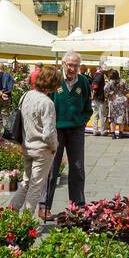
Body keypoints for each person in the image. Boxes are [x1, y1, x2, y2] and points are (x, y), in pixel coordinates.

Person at [43, 52, 91, 216]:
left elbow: (88, 107)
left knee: (77, 167)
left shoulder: (83, 81)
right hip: (56, 129)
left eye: (76, 65)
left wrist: (81, 121)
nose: (72, 68)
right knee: (52, 167)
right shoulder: (55, 78)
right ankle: (45, 206)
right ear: (63, 64)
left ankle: (77, 206)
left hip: (76, 130)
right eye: (69, 65)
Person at [10, 64, 58, 220]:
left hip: (27, 146)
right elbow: (49, 132)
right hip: (42, 150)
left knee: (25, 182)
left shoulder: (27, 95)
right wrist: (54, 147)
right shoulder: (47, 102)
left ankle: (10, 212)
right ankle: (25, 222)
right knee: (36, 187)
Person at [104, 69, 129, 139]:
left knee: (112, 118)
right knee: (121, 117)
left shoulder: (110, 82)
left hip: (113, 101)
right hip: (122, 101)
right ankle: (120, 134)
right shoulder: (123, 81)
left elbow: (105, 89)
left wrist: (111, 93)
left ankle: (113, 134)